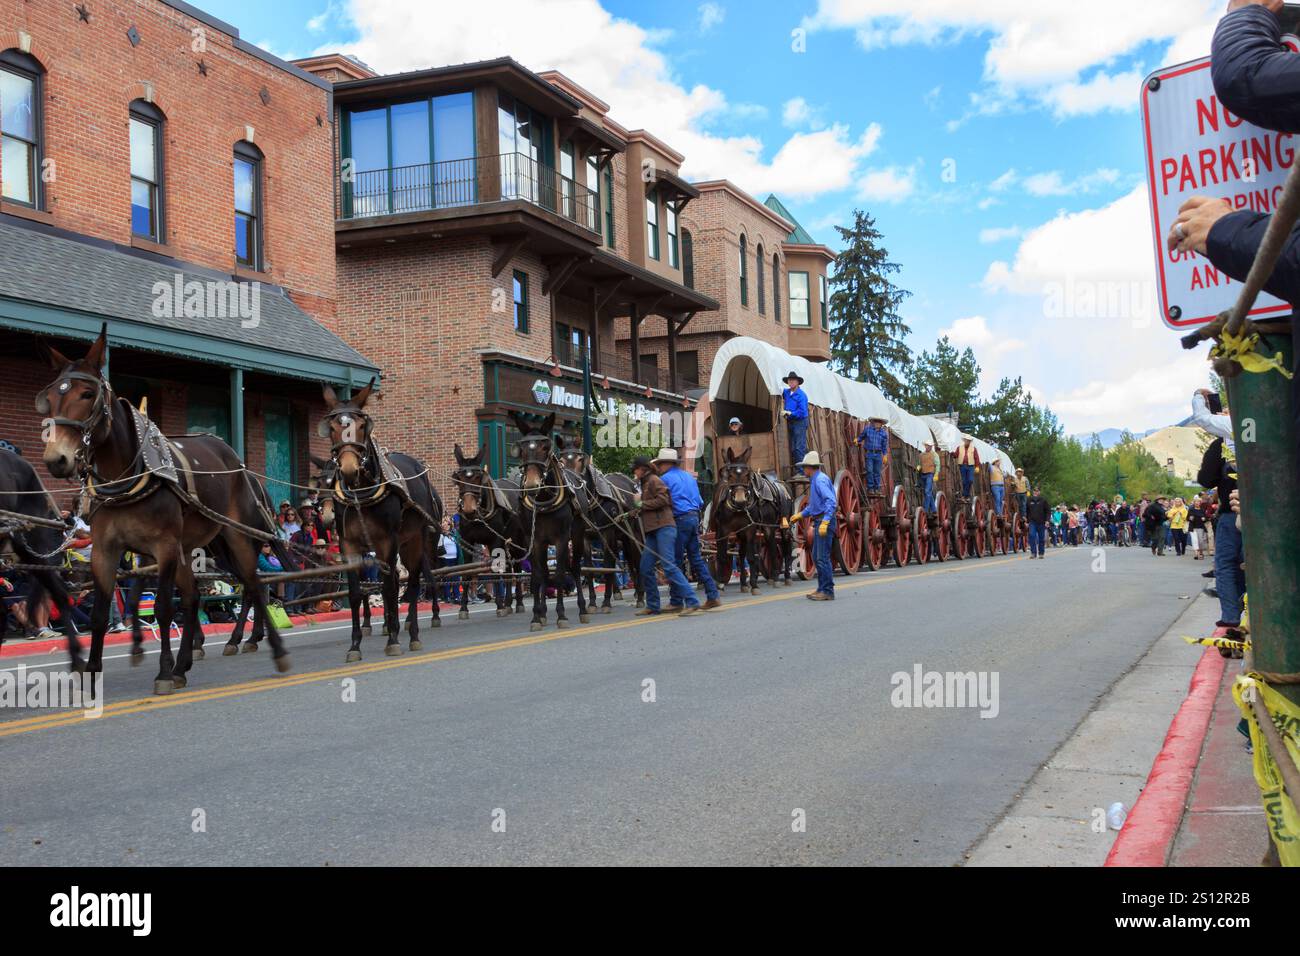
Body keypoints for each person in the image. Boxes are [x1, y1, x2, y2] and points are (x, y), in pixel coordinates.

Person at [1191, 389, 1246, 636]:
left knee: (1225, 563)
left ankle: (1231, 616)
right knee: (1252, 562)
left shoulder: (1231, 430)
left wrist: (1198, 398)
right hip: (1268, 509)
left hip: (1232, 510)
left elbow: (1202, 419)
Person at [631, 456, 700, 616]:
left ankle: (692, 601)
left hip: (664, 528)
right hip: (653, 530)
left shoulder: (654, 480)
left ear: (642, 469)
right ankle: (653, 605)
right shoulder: (645, 483)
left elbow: (664, 500)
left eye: (635, 469)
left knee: (669, 566)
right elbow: (650, 506)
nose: (634, 472)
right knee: (645, 567)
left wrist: (641, 504)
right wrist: (635, 510)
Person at [655, 448, 721, 612]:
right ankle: (712, 595)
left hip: (680, 519)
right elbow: (699, 501)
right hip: (693, 518)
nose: (659, 467)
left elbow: (662, 502)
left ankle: (677, 600)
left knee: (675, 562)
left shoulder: (664, 479)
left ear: (666, 464)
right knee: (696, 559)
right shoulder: (688, 477)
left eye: (660, 464)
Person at [789, 451, 835, 600]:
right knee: (817, 556)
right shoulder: (816, 480)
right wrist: (800, 515)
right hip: (819, 519)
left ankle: (827, 591)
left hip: (823, 521)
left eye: (804, 467)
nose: (803, 470)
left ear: (810, 467)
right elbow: (814, 505)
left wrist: (826, 521)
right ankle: (822, 588)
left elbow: (831, 502)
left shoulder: (820, 480)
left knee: (822, 557)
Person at [780, 371, 809, 475]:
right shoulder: (787, 393)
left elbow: (802, 412)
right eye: (789, 380)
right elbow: (779, 391)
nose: (791, 382)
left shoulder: (801, 395)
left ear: (797, 382)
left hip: (800, 422)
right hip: (791, 422)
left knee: (799, 447)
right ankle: (799, 469)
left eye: (793, 380)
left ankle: (802, 472)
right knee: (793, 448)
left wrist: (790, 413)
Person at [854, 416, 890, 494]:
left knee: (877, 472)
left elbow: (884, 446)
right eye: (876, 422)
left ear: (881, 424)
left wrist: (885, 455)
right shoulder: (868, 429)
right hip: (869, 453)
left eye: (879, 422)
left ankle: (877, 489)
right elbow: (861, 437)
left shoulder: (883, 433)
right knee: (869, 470)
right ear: (873, 422)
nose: (877, 423)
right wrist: (857, 440)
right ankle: (870, 488)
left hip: (878, 454)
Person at [1025, 486, 1049, 559]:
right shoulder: (1029, 500)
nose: (1035, 492)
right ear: (1033, 492)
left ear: (1039, 492)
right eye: (1034, 491)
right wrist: (1026, 521)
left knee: (1041, 538)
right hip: (1032, 522)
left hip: (1042, 522)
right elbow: (1026, 511)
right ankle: (1033, 553)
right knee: (1032, 536)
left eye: (1037, 491)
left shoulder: (1043, 500)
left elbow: (1048, 511)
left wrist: (1047, 521)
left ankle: (1041, 553)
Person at [916, 440, 938, 512]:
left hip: (930, 474)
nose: (929, 447)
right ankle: (933, 509)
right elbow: (919, 463)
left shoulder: (934, 455)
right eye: (927, 445)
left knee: (927, 491)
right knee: (928, 492)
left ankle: (925, 509)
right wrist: (918, 466)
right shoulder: (921, 455)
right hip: (923, 474)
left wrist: (936, 474)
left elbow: (938, 465)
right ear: (925, 446)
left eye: (930, 446)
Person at [1188, 495, 1207, 560]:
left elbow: (1205, 518)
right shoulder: (1191, 509)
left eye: (1198, 502)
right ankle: (1196, 554)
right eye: (1195, 502)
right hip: (1193, 527)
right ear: (1194, 502)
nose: (1197, 503)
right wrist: (1190, 518)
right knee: (1195, 540)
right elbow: (1187, 518)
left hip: (1200, 527)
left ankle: (1201, 552)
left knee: (1200, 541)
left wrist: (1204, 519)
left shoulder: (1202, 510)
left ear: (1200, 503)